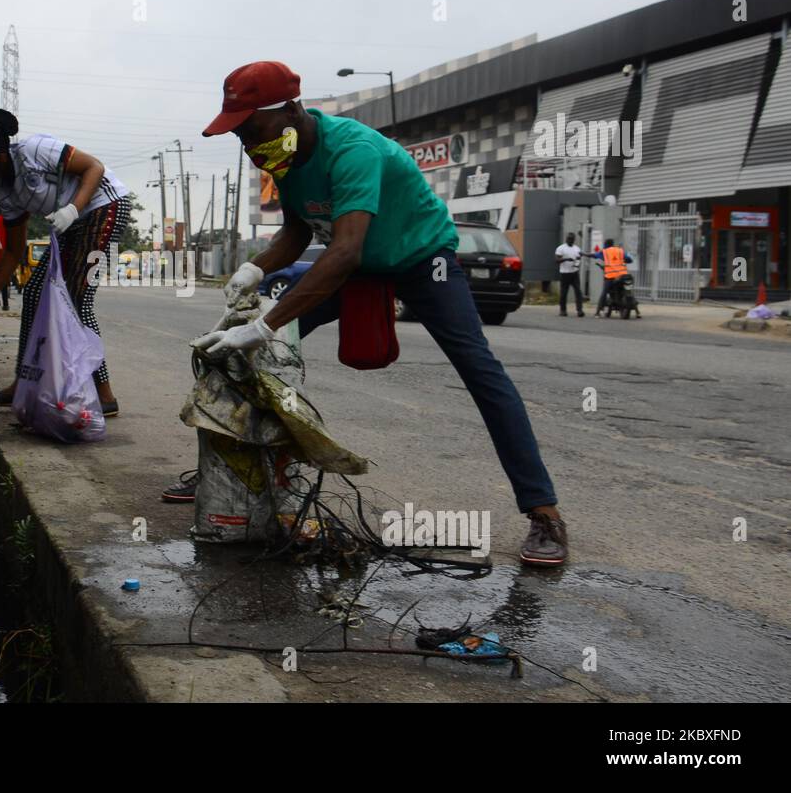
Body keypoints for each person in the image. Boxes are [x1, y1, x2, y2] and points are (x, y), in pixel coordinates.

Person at [190, 61, 568, 566]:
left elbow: (342, 251)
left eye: (250, 128)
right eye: (237, 133)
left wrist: (268, 323)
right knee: (237, 353)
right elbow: (299, 233)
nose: (245, 143)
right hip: (359, 263)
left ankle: (544, 513)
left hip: (421, 260)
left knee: (480, 370)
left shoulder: (353, 150)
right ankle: (232, 473)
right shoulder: (284, 158)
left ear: (289, 112)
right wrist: (255, 272)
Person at [0, 108, 129, 416]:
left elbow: (94, 167)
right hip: (70, 222)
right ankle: (21, 382)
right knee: (34, 293)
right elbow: (12, 252)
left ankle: (104, 394)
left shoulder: (33, 150)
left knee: (76, 299)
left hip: (103, 206)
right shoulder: (6, 192)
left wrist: (72, 210)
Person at [592, 238, 633, 316]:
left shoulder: (605, 251)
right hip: (623, 275)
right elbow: (630, 260)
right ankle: (637, 312)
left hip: (611, 276)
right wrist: (623, 261)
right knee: (629, 289)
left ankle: (597, 312)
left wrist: (583, 254)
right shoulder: (620, 251)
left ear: (606, 244)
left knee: (604, 292)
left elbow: (594, 255)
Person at [554, 232, 585, 317]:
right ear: (566, 239)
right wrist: (566, 259)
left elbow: (578, 259)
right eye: (568, 239)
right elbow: (557, 260)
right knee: (564, 292)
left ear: (574, 240)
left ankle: (580, 310)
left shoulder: (577, 249)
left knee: (578, 291)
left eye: (572, 239)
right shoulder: (561, 248)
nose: (570, 240)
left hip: (574, 273)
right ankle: (563, 310)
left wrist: (578, 261)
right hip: (565, 273)